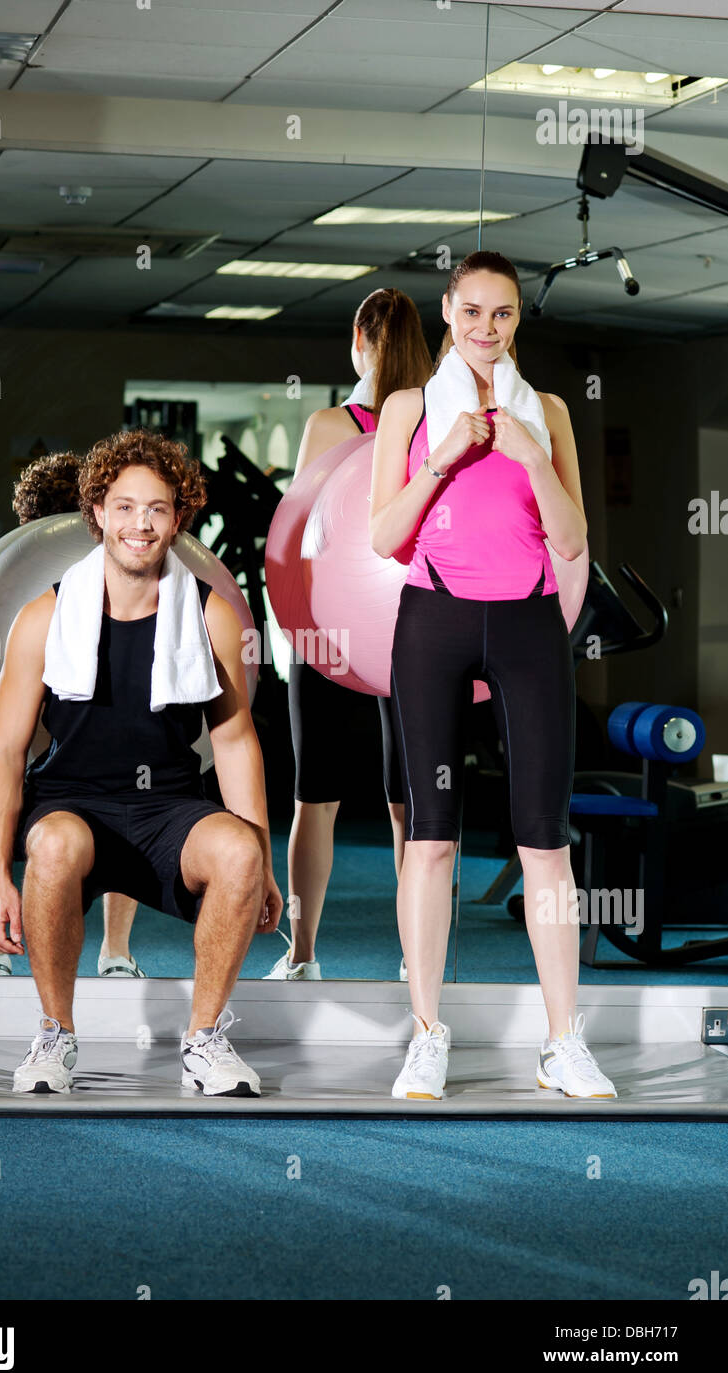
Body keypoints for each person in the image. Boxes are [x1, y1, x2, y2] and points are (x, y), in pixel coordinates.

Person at [370, 250, 616, 1101]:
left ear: (517, 320)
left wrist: (530, 455)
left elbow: (574, 539)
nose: (486, 329)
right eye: (471, 311)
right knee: (431, 834)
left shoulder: (546, 409)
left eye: (502, 314)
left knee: (543, 840)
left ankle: (561, 1042)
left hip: (525, 622)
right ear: (447, 311)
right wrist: (439, 459)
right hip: (432, 619)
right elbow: (381, 539)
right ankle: (427, 1033)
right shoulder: (406, 408)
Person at [0, 429, 283, 1096]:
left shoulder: (210, 618)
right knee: (54, 842)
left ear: (179, 517)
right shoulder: (45, 615)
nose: (139, 524)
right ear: (96, 515)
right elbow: (3, 749)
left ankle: (203, 1039)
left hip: (170, 811)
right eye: (123, 507)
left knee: (236, 853)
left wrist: (261, 858)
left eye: (155, 508)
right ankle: (55, 1034)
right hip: (72, 806)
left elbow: (233, 741)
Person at [265, 288, 433, 982]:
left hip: (333, 627)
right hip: (414, 624)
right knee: (408, 803)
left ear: (359, 341)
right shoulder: (435, 419)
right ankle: (411, 957)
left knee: (316, 797)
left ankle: (302, 956)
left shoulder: (330, 424)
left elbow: (299, 536)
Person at [0, 453, 142, 979]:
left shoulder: (15, 594)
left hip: (48, 780)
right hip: (85, 781)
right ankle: (115, 955)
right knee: (135, 789)